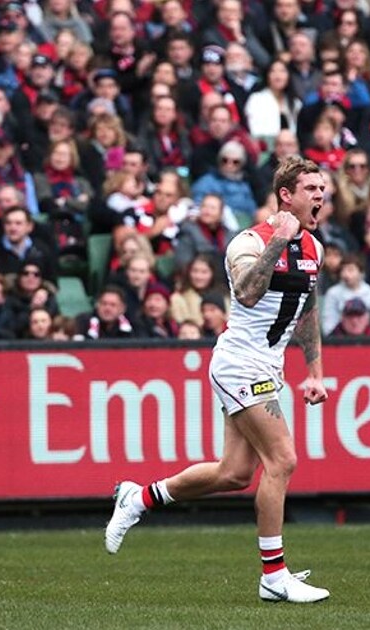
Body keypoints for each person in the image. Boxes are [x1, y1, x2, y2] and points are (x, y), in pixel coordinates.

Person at [105, 156, 331, 604]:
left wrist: (315, 372)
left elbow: (307, 310)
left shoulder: (314, 248)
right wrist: (278, 243)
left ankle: (139, 498)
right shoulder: (248, 242)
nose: (320, 195)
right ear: (285, 196)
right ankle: (273, 576)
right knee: (282, 460)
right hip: (239, 362)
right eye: (310, 189)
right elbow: (246, 293)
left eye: (322, 189)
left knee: (234, 474)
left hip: (268, 365)